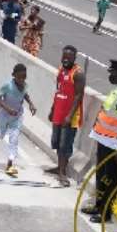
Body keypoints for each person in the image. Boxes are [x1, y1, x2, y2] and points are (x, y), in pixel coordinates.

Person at [81, 60, 117, 224]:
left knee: (110, 179)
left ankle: (106, 213)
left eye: (112, 73)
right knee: (101, 176)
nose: (110, 75)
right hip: (104, 141)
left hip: (114, 145)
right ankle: (98, 206)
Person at [0, 64, 37, 177]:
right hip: (4, 115)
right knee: (0, 135)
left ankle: (9, 165)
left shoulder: (24, 85)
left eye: (24, 77)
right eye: (19, 77)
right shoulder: (7, 86)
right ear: (13, 75)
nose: (22, 80)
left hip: (17, 116)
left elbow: (25, 94)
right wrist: (8, 109)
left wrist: (31, 104)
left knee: (14, 139)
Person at [47, 45, 86, 187]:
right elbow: (58, 90)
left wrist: (69, 116)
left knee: (65, 144)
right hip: (58, 111)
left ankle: (63, 172)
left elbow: (78, 96)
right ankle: (59, 167)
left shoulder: (78, 74)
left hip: (70, 116)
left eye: (69, 58)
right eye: (64, 57)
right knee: (57, 141)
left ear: (74, 58)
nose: (65, 60)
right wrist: (53, 109)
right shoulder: (60, 70)